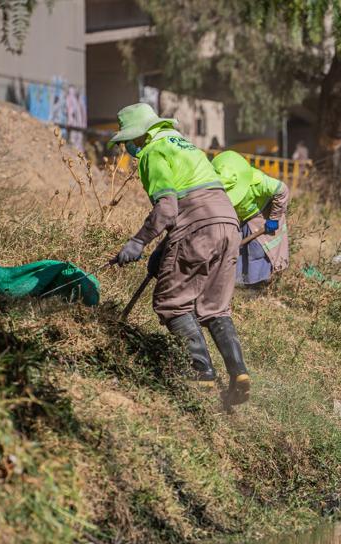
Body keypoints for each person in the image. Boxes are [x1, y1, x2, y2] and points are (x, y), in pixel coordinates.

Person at [106, 102, 250, 404]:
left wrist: (138, 241)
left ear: (140, 136)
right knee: (214, 307)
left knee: (171, 302)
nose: (129, 148)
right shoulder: (183, 144)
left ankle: (202, 376)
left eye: (129, 141)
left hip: (199, 227)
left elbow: (169, 209)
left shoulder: (152, 153)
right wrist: (163, 248)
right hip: (228, 224)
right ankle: (238, 372)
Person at [211, 150, 290, 288]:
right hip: (244, 220)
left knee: (257, 252)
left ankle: (257, 287)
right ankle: (239, 285)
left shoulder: (257, 182)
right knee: (240, 253)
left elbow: (282, 190)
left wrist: (274, 218)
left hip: (263, 218)